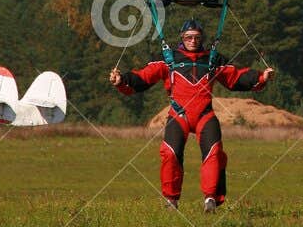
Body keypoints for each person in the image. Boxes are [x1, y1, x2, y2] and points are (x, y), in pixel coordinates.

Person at [110, 18, 272, 211]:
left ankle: (210, 199)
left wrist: (261, 77)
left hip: (205, 114)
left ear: (201, 38)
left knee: (214, 153)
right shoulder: (169, 58)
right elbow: (144, 76)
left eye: (196, 37)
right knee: (170, 153)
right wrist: (122, 80)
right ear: (182, 38)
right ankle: (171, 200)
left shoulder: (212, 59)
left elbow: (235, 77)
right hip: (179, 115)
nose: (193, 41)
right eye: (188, 37)